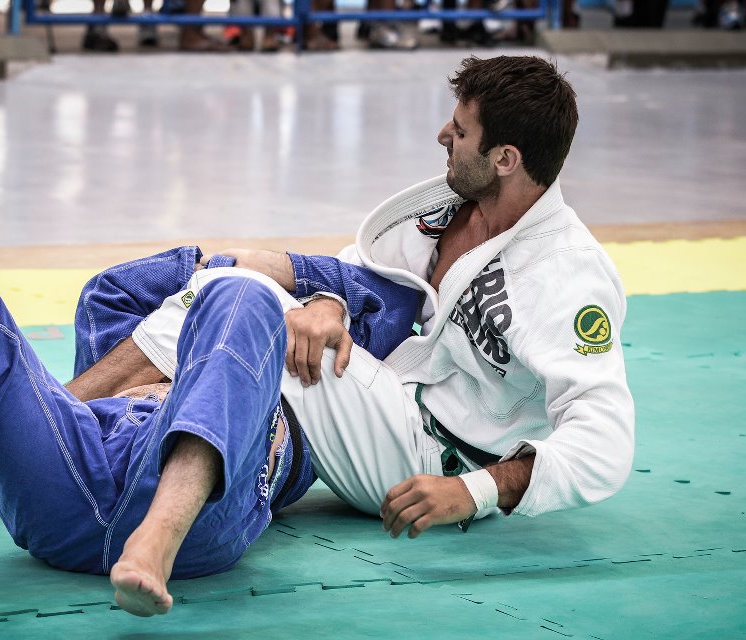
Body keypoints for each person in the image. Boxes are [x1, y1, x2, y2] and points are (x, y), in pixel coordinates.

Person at [80, 54, 635, 538]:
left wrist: (474, 492)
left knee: (230, 293)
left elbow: (605, 444)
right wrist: (329, 302)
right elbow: (362, 273)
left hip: (433, 467)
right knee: (163, 291)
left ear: (505, 159)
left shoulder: (568, 274)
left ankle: (62, 420)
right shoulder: (452, 210)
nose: (443, 134)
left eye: (462, 131)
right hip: (387, 400)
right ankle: (110, 438)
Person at [0, 261, 417, 616]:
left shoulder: (348, 394)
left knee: (246, 296)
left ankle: (156, 541)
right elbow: (131, 284)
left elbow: (389, 299)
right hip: (81, 460)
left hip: (196, 512)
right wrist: (247, 266)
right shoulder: (133, 315)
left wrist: (328, 302)